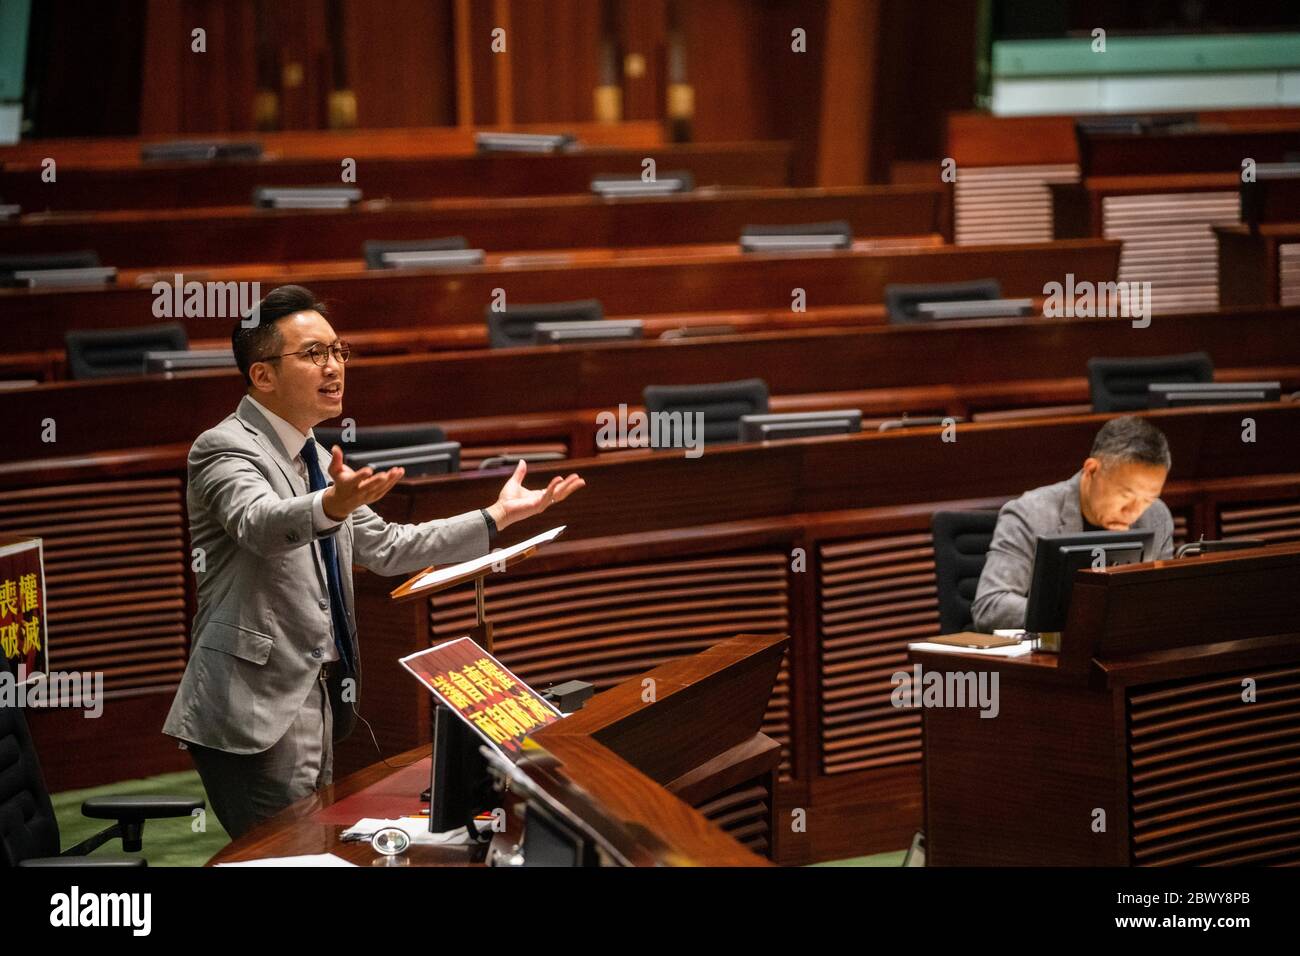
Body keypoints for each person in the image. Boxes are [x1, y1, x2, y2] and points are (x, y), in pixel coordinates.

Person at [162, 285, 585, 838]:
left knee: (312, 847)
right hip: (252, 708)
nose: (334, 366)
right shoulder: (223, 449)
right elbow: (260, 524)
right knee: (285, 856)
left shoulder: (313, 453)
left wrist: (496, 517)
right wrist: (330, 504)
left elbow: (387, 548)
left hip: (317, 701)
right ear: (262, 375)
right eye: (314, 354)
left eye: (338, 351)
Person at [971, 415, 1174, 633]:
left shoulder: (1156, 516)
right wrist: (1082, 616)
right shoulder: (1030, 513)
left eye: (1148, 499)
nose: (1134, 511)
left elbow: (1162, 600)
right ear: (1092, 470)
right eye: (1126, 494)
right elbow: (990, 606)